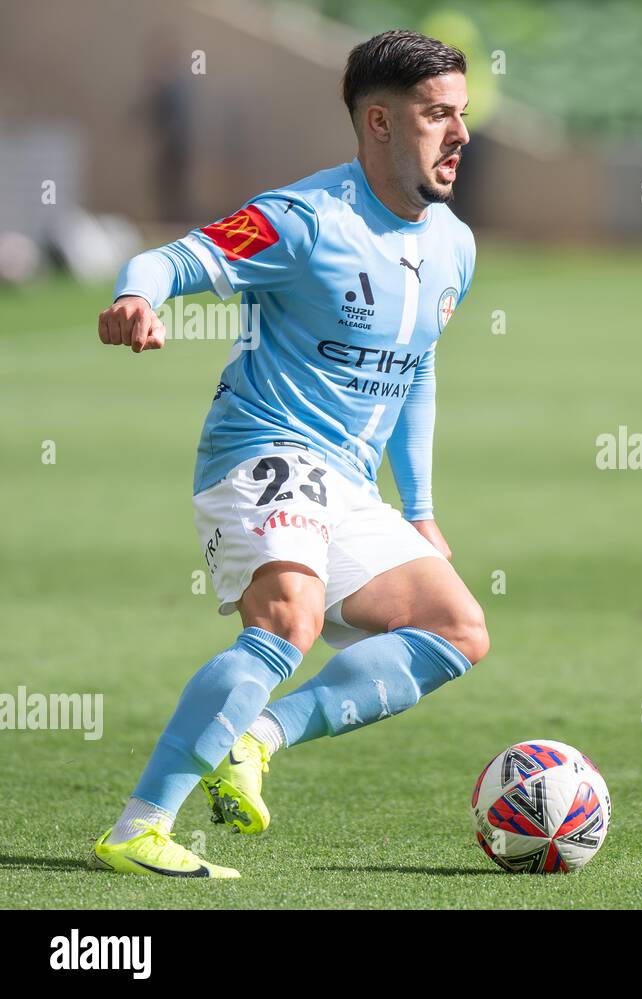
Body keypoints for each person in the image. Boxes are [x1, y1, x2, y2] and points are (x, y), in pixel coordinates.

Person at [90, 30, 484, 877]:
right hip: (261, 447)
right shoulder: (304, 220)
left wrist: (416, 507)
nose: (459, 135)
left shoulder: (454, 244)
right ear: (379, 122)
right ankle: (139, 825)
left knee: (456, 628)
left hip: (346, 482)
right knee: (288, 619)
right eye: (436, 116)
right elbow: (169, 259)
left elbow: (415, 371)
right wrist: (135, 296)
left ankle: (258, 738)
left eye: (462, 115)